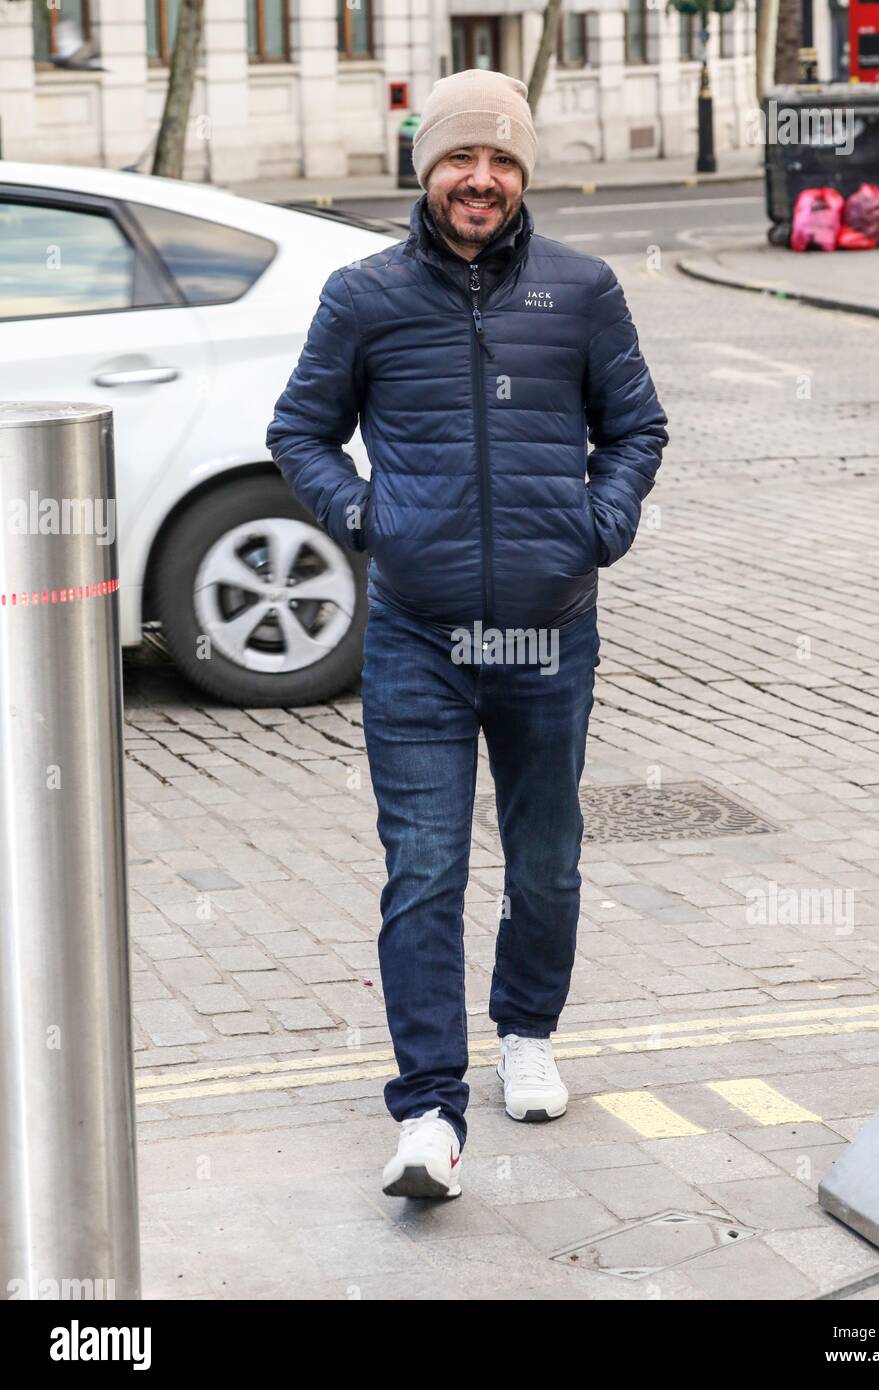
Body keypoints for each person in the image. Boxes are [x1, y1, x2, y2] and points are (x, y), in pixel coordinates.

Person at [267, 69, 668, 1200]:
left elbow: (635, 424)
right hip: (416, 640)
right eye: (457, 159)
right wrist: (362, 516)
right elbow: (299, 428)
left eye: (497, 161)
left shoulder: (581, 292)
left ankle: (527, 1032)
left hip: (548, 636)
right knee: (424, 869)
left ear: (522, 173)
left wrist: (599, 525)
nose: (477, 179)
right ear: (426, 169)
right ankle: (428, 1114)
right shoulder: (364, 297)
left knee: (543, 863)